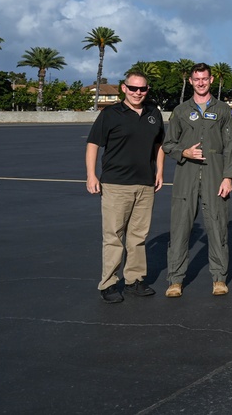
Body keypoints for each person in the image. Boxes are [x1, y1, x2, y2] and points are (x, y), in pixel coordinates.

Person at [85, 70, 165, 303]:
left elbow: (159, 144)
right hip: (116, 185)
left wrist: (160, 171)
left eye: (142, 89)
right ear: (124, 88)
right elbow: (93, 144)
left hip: (145, 184)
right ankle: (109, 284)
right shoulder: (110, 113)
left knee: (138, 236)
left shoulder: (153, 113)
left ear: (147, 90)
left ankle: (135, 280)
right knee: (113, 236)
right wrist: (91, 175)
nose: (138, 93)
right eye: (133, 88)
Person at [162, 63, 232, 297]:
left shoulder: (224, 110)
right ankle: (175, 280)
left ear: (211, 80)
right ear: (192, 81)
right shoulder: (180, 111)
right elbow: (168, 144)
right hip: (186, 175)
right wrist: (184, 153)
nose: (201, 83)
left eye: (204, 79)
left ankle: (219, 278)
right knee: (180, 228)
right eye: (197, 79)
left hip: (215, 174)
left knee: (217, 226)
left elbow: (231, 146)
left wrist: (228, 177)